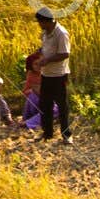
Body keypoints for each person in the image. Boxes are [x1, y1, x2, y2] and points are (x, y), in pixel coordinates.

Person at [31, 8, 72, 143]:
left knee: (62, 106)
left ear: (47, 21)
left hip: (59, 75)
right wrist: (40, 52)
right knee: (45, 105)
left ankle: (67, 135)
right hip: (46, 74)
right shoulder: (45, 33)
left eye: (40, 22)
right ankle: (47, 133)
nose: (39, 25)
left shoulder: (61, 33)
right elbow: (46, 48)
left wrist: (47, 60)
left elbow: (65, 53)